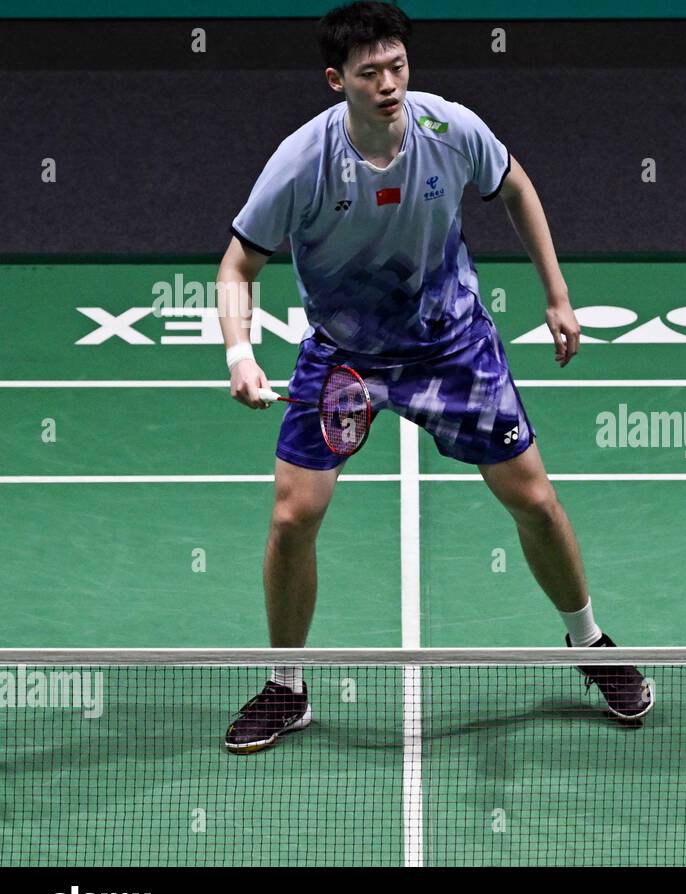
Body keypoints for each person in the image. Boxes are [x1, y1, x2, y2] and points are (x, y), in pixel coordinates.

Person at [216, 1, 652, 754]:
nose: (389, 83)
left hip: (451, 346)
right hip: (344, 353)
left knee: (536, 501)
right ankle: (286, 685)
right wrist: (240, 353)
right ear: (335, 80)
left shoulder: (449, 129)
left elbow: (515, 185)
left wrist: (556, 295)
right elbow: (237, 266)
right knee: (293, 517)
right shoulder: (302, 162)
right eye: (369, 72)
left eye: (397, 66)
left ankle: (589, 643)